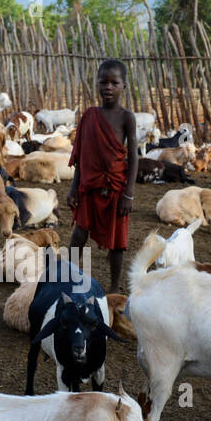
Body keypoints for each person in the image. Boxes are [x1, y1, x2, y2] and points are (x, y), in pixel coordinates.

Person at [66, 59, 139, 293]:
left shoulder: (127, 118)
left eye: (114, 82)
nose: (108, 87)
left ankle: (115, 288)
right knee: (79, 234)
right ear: (96, 85)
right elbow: (81, 157)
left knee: (117, 243)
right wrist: (74, 188)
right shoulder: (89, 116)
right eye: (103, 82)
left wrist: (129, 194)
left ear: (123, 86)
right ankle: (66, 278)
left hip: (116, 188)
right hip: (89, 186)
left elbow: (134, 157)